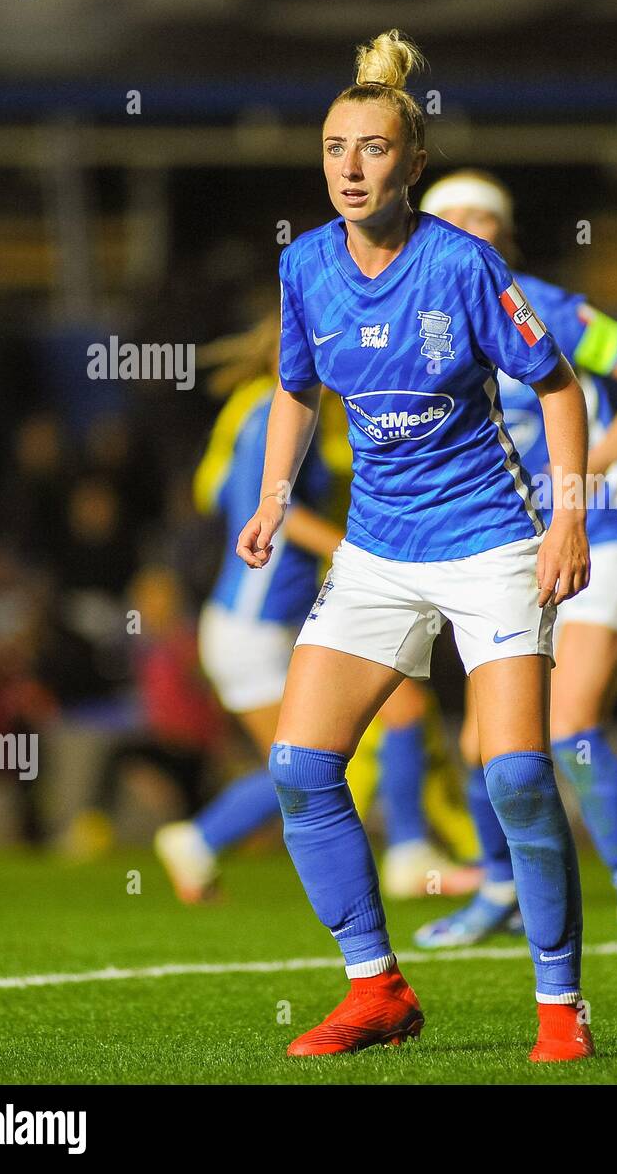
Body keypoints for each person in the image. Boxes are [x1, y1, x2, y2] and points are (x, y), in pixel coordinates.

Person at [237, 30, 594, 1061]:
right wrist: (273, 494)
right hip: (379, 550)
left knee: (517, 775)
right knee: (302, 767)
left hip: (488, 540)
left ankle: (560, 1004)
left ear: (414, 165)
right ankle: (376, 988)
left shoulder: (463, 263)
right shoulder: (303, 263)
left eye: (374, 148)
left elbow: (558, 386)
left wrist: (567, 513)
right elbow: (295, 387)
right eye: (334, 147)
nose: (351, 167)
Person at [412, 169, 617, 954]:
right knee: (479, 748)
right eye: (449, 217)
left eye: (481, 217)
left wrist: (589, 469)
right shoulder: (427, 321)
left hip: (607, 534)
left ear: (504, 232)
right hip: (514, 549)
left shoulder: (551, 309)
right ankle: (498, 891)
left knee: (569, 724)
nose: (466, 228)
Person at [154, 316, 478, 902]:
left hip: (272, 621)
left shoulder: (299, 410)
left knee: (350, 739)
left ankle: (204, 841)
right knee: (313, 761)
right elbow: (275, 509)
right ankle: (205, 837)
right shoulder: (267, 417)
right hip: (251, 626)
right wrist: (358, 554)